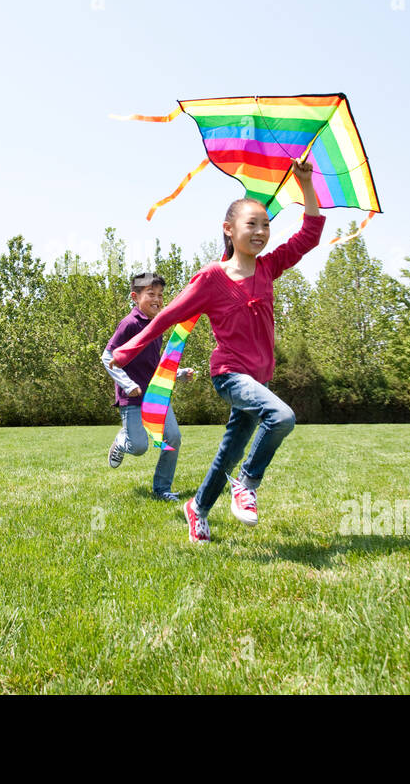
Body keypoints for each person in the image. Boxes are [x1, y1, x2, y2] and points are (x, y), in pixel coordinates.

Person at [112, 157, 325, 543]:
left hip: (257, 378)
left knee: (229, 450)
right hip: (229, 374)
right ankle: (246, 483)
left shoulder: (268, 267)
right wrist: (129, 349)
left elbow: (309, 234)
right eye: (252, 224)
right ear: (229, 229)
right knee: (282, 416)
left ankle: (197, 508)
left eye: (266, 225)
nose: (261, 231)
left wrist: (306, 185)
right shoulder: (212, 278)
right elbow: (167, 316)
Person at [100, 272, 195, 502]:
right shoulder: (130, 324)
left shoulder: (157, 325)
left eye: (161, 295)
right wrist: (128, 384)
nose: (157, 299)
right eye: (151, 294)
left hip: (156, 395)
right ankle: (122, 441)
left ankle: (162, 489)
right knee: (139, 446)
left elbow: (156, 365)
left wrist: (178, 373)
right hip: (132, 396)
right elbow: (107, 356)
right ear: (135, 296)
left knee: (173, 437)